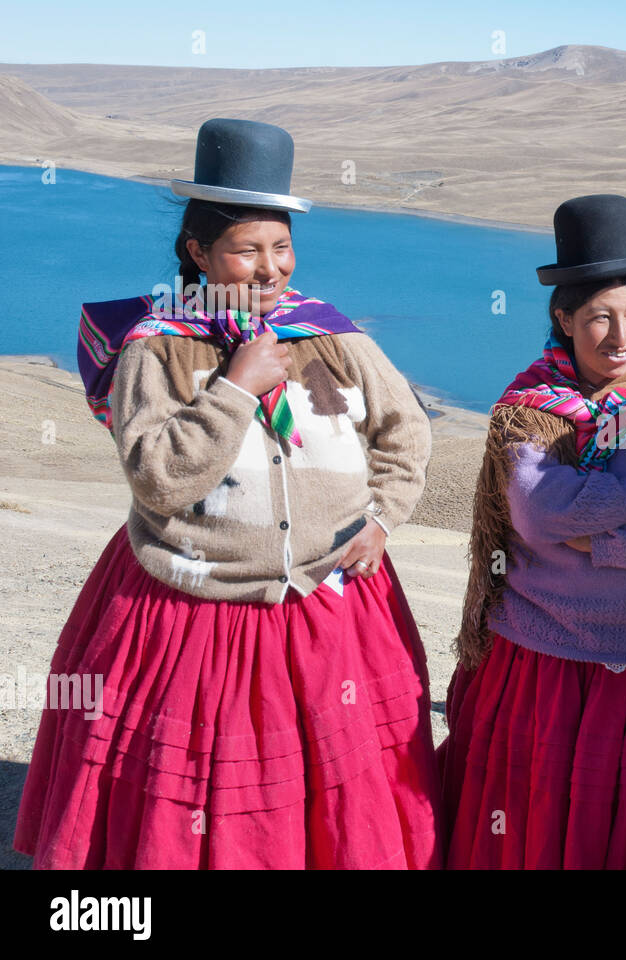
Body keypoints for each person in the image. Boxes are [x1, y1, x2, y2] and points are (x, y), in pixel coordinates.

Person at [15, 118, 443, 869]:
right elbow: (157, 476)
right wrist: (235, 390)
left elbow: (406, 432)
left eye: (281, 247)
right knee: (197, 794)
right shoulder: (157, 348)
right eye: (248, 250)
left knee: (333, 793)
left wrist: (383, 515)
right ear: (199, 253)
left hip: (330, 598)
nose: (271, 268)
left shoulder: (328, 338)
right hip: (191, 607)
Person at [442, 194, 626, 868]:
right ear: (563, 318)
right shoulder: (532, 407)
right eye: (598, 317)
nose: (620, 336)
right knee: (533, 817)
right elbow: (539, 512)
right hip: (541, 657)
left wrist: (600, 540)